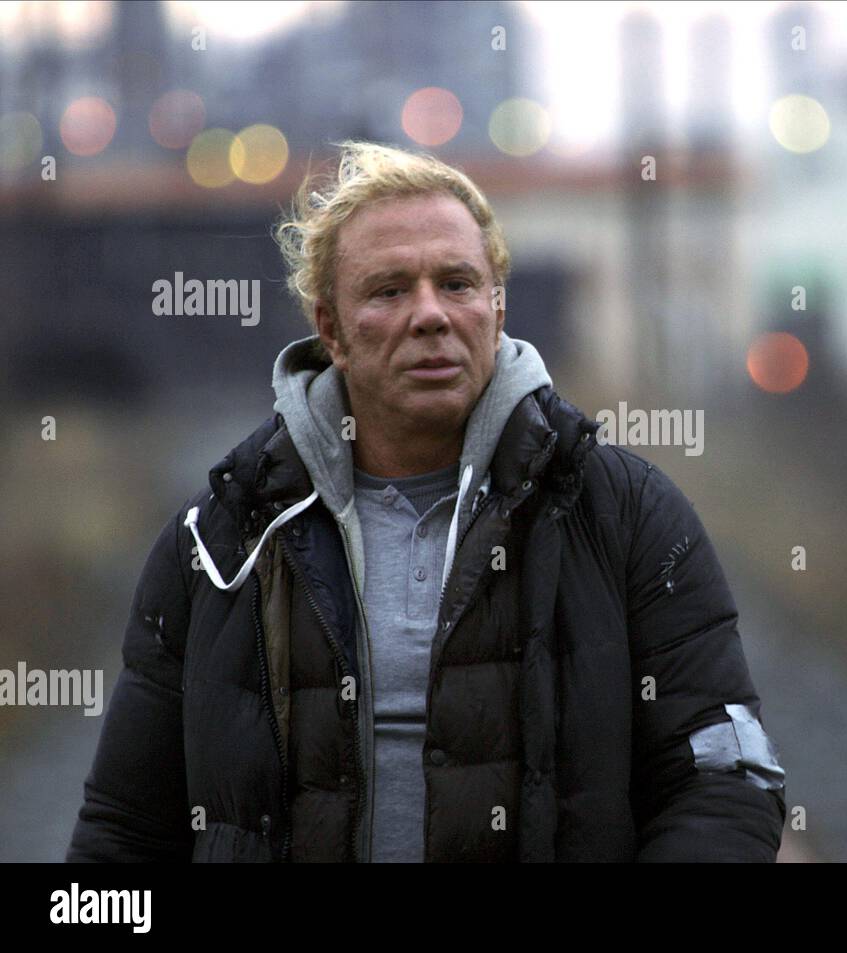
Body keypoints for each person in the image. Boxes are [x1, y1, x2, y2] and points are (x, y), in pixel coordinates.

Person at [66, 140, 786, 862]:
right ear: (331, 330)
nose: (431, 314)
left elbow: (725, 778)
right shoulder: (224, 538)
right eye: (388, 290)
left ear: (498, 310)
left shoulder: (623, 514)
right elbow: (126, 828)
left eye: (458, 283)